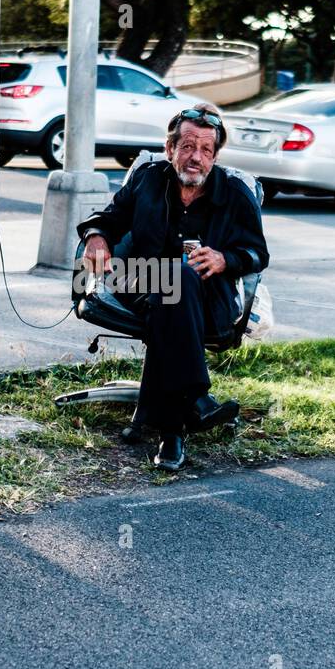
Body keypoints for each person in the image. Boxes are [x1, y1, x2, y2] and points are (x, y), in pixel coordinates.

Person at [76, 103, 270, 470]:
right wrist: (98, 235)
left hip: (209, 295)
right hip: (140, 280)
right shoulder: (148, 178)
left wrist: (225, 259)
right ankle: (188, 410)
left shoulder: (235, 193)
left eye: (205, 150)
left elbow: (258, 253)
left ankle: (170, 420)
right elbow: (110, 217)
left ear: (214, 156)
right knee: (172, 283)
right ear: (170, 150)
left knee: (178, 286)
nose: (195, 156)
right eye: (187, 146)